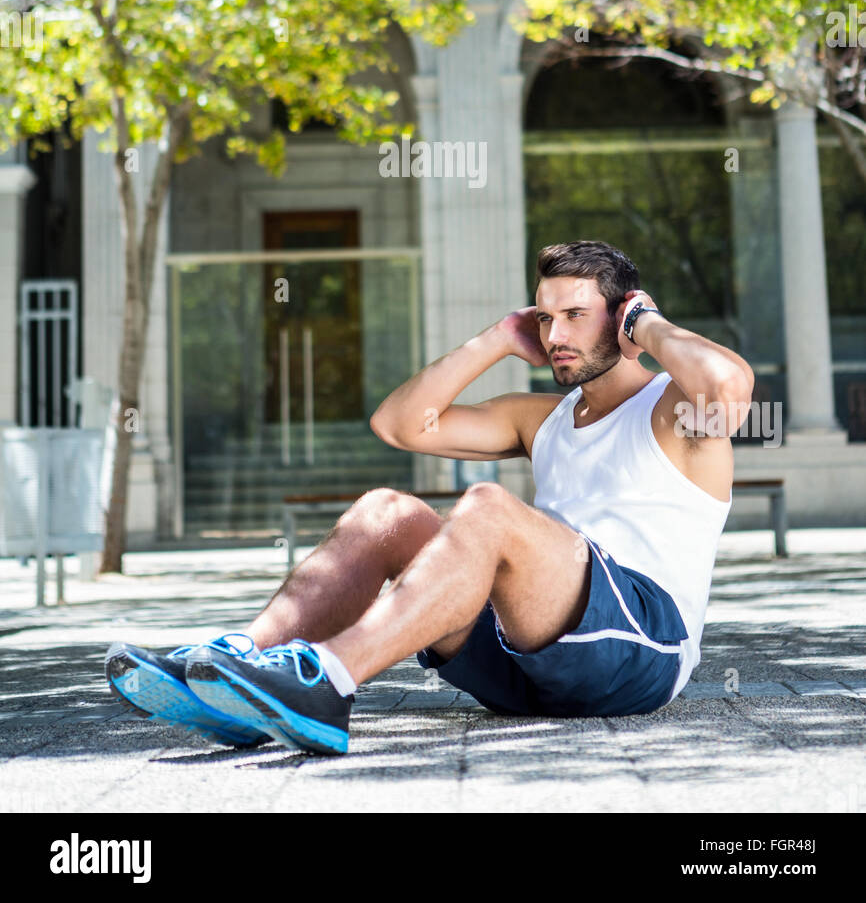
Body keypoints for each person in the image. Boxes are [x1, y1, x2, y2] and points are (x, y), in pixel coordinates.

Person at [105, 240, 753, 756]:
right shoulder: (542, 419)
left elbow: (728, 387)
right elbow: (402, 425)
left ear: (621, 315)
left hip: (639, 650)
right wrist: (498, 339)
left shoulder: (672, 409)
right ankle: (241, 672)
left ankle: (326, 680)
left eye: (574, 316)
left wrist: (648, 321)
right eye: (545, 317)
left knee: (488, 508)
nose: (555, 334)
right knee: (386, 512)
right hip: (525, 661)